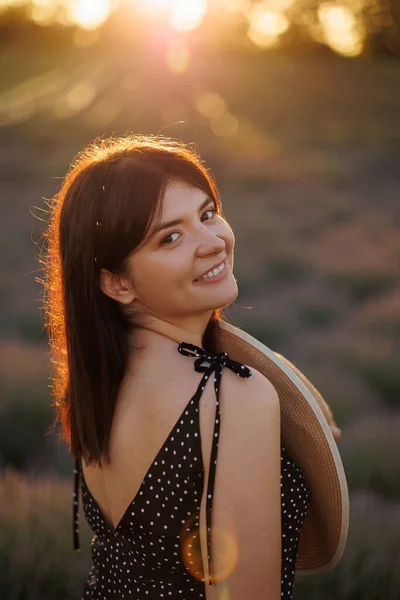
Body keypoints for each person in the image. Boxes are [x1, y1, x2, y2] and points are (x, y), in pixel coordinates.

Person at [41, 134, 337, 599]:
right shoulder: (229, 398)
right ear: (117, 283)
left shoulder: (98, 377)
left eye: (207, 214)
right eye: (170, 237)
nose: (213, 243)